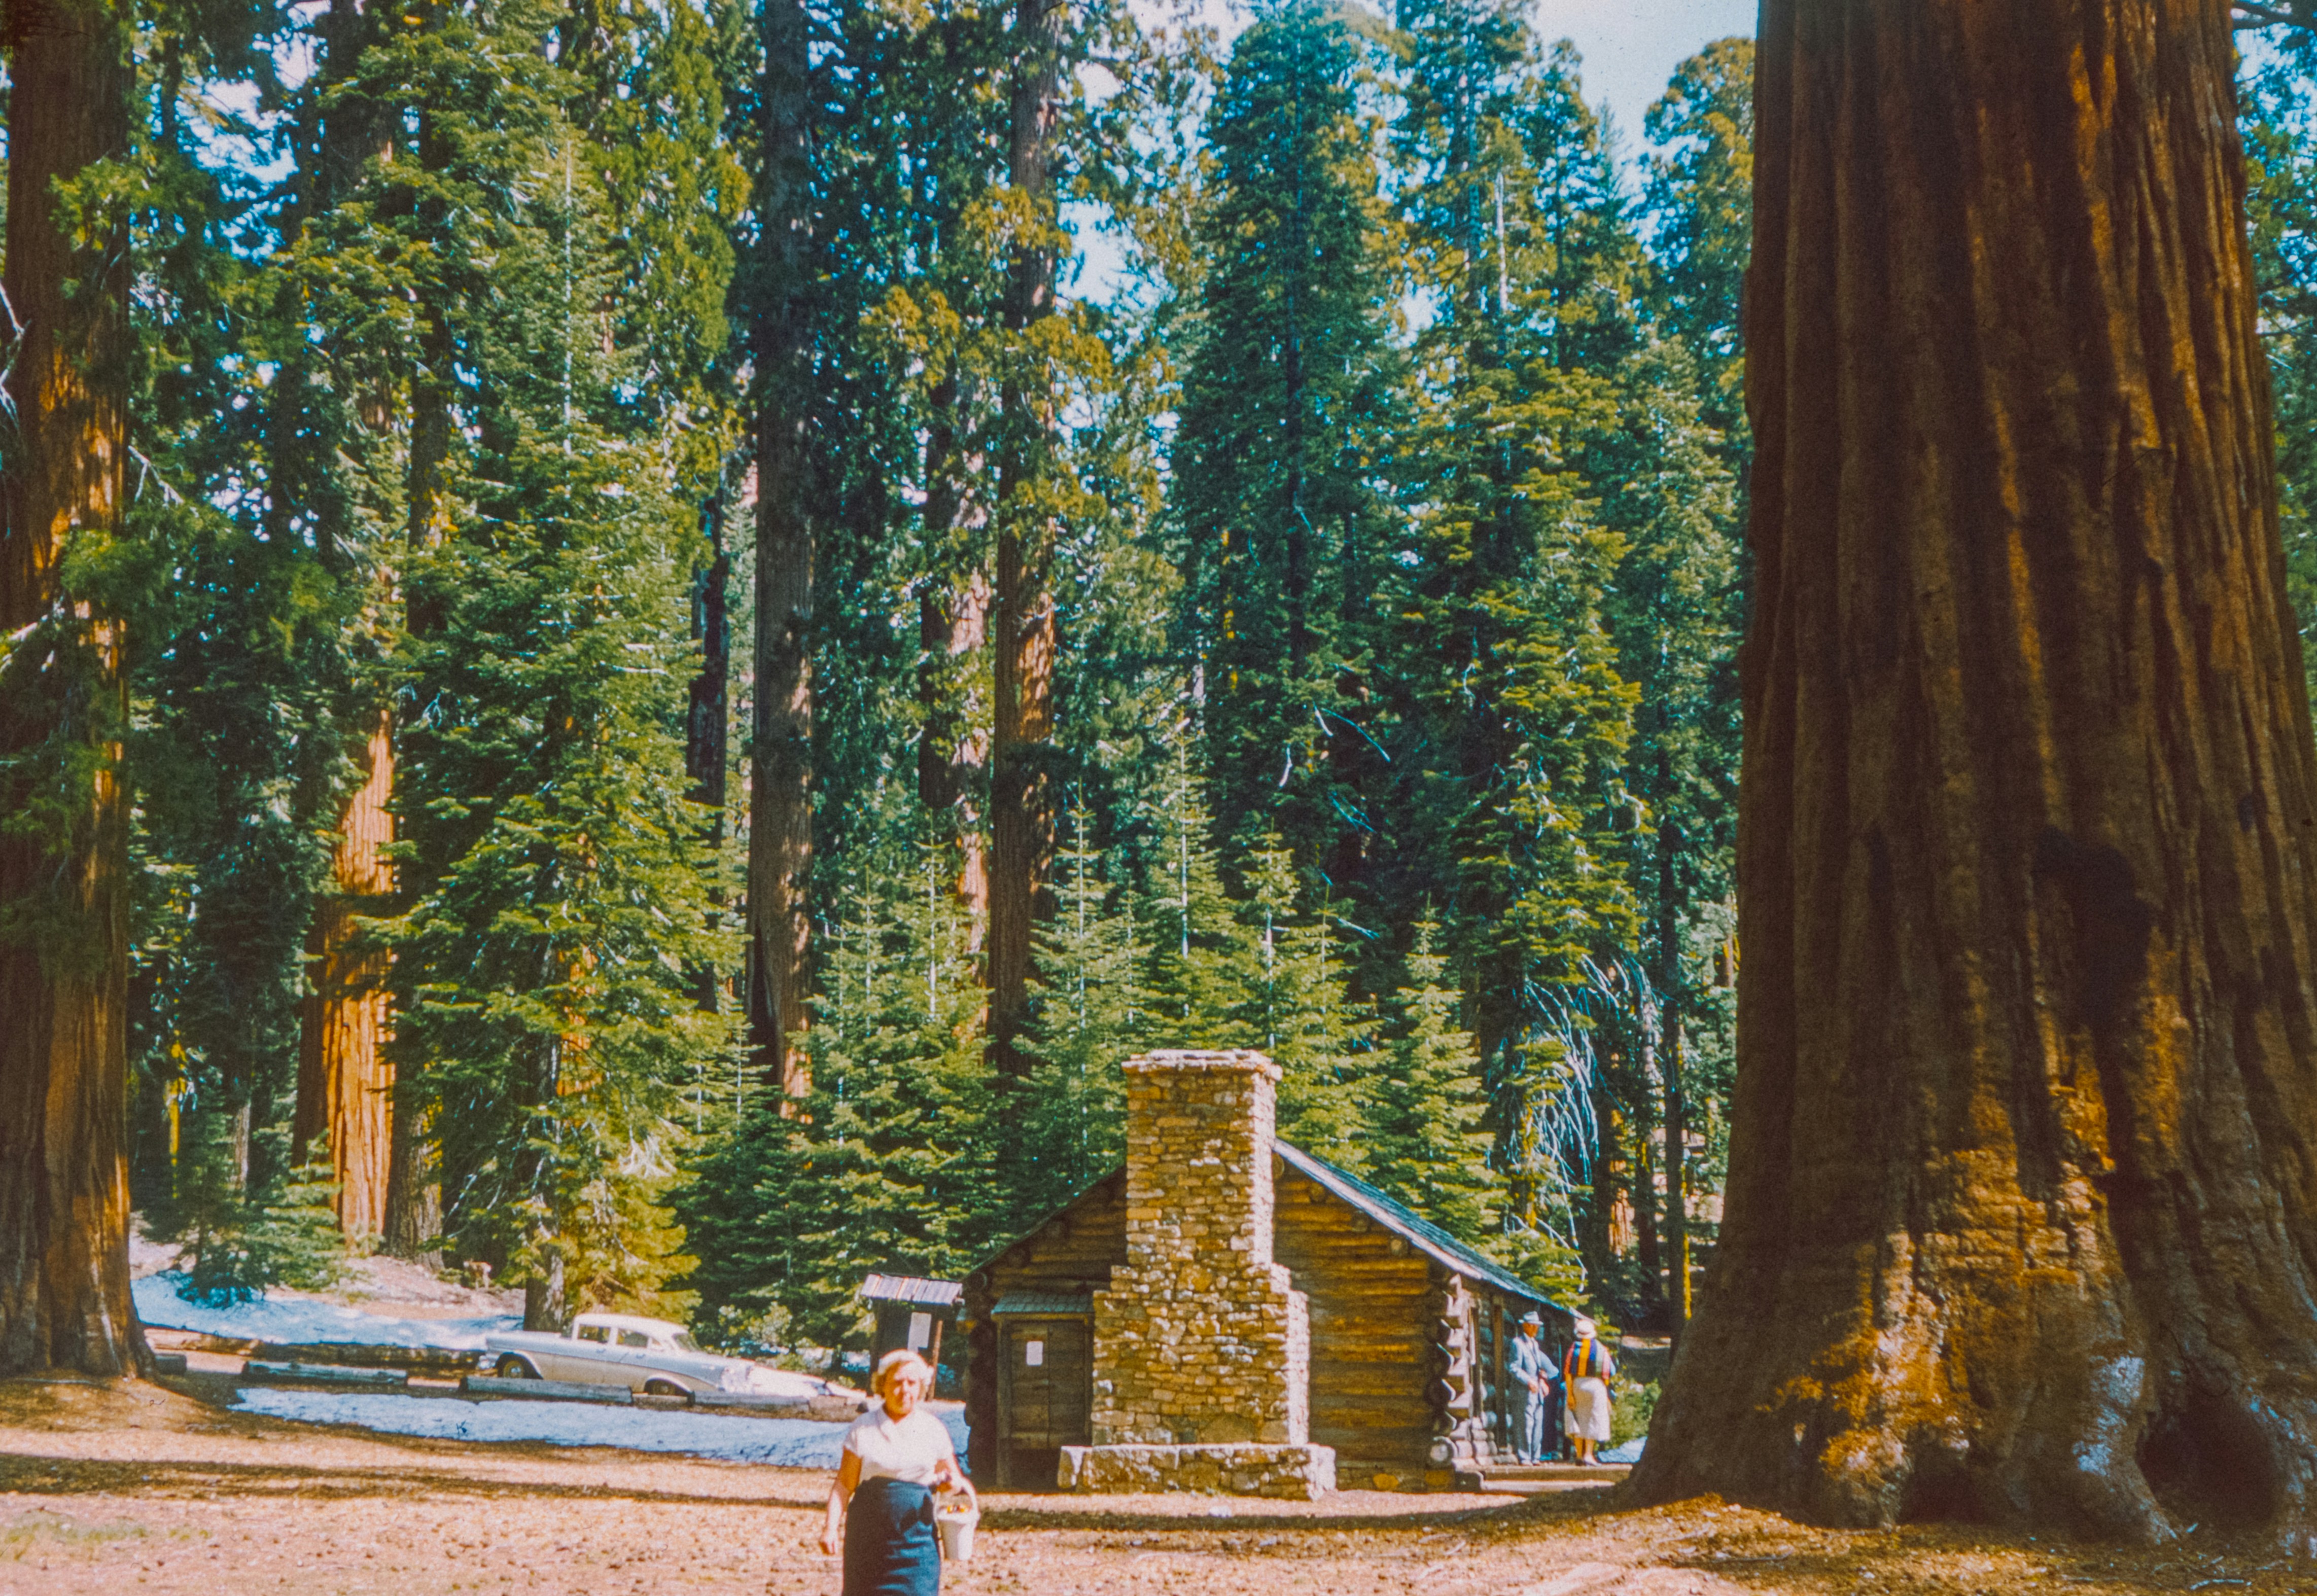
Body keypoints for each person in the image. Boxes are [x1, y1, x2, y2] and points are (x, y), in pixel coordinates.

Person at [822, 1349, 976, 1594]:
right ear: (882, 1385)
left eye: (912, 1383)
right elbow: (843, 1485)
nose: (905, 1390)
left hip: (917, 1545)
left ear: (921, 1388)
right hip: (868, 1545)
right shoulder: (863, 1428)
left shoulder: (933, 1429)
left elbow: (955, 1481)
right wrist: (830, 1528)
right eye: (896, 1383)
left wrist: (949, 1485)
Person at [1561, 1316, 1617, 1466]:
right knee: (1593, 1419)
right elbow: (1609, 1372)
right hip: (1596, 1386)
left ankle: (1579, 1455)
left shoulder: (1574, 1348)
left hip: (1577, 1385)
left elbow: (1567, 1372)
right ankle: (1589, 1454)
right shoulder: (1601, 1349)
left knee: (1577, 1418)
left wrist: (1571, 1393)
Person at [1506, 1310, 1551, 1464]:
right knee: (1525, 1425)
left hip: (1537, 1392)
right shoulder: (1517, 1343)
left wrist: (1542, 1382)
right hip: (1523, 1392)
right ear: (1525, 1326)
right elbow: (1513, 1367)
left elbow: (1539, 1368)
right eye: (1533, 1326)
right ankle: (1525, 1457)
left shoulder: (1535, 1344)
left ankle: (1535, 1457)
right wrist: (1528, 1381)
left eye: (1537, 1326)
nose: (1535, 1329)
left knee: (1538, 1425)